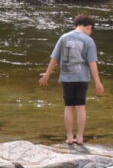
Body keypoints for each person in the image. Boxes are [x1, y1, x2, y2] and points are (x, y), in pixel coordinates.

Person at [38, 14, 104, 146]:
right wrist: (98, 82)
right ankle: (79, 137)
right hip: (82, 78)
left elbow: (54, 59)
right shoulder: (88, 41)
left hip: (67, 78)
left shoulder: (64, 37)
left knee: (68, 107)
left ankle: (69, 137)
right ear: (89, 27)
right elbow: (92, 63)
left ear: (76, 25)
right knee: (80, 107)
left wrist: (47, 75)